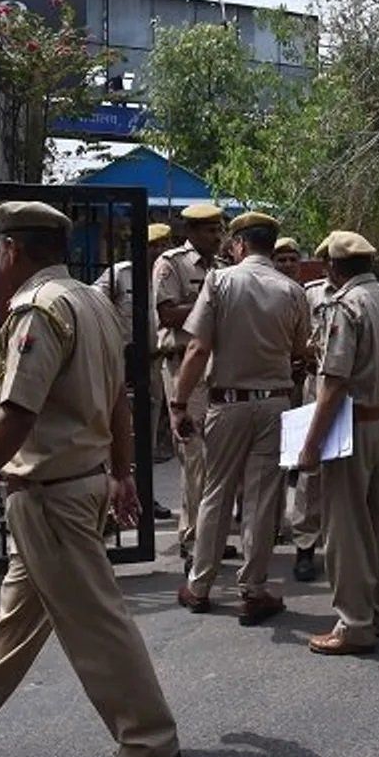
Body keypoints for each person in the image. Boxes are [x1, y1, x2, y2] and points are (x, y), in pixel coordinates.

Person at [0, 201, 181, 757]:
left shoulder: (39, 310)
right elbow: (116, 398)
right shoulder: (91, 301)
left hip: (50, 497)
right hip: (73, 488)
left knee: (98, 625)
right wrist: (122, 473)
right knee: (15, 619)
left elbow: (14, 415)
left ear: (12, 249)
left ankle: (150, 744)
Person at [172, 212, 311, 626]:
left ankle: (199, 586)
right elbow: (302, 349)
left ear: (240, 245)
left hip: (226, 403)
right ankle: (253, 589)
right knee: (263, 497)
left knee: (216, 491)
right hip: (274, 403)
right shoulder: (292, 289)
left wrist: (180, 402)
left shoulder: (220, 281)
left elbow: (198, 349)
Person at [297, 231, 379, 655]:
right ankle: (375, 610)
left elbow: (333, 382)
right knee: (375, 526)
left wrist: (311, 444)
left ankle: (354, 623)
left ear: (333, 267)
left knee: (346, 530)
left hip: (353, 428)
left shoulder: (345, 307)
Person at [153, 203, 225, 570]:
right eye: (210, 230)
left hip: (218, 366)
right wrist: (209, 304)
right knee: (194, 455)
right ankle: (193, 539)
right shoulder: (171, 263)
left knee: (217, 458)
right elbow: (166, 313)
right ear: (192, 232)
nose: (217, 236)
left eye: (219, 229)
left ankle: (210, 534)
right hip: (183, 365)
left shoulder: (223, 269)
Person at [93, 222, 174, 520]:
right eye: (153, 245)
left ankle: (143, 497)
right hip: (121, 366)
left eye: (163, 245)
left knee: (147, 434)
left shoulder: (168, 275)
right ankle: (110, 498)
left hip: (154, 364)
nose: (158, 250)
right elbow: (94, 303)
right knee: (115, 432)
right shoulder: (121, 274)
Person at [289, 236, 334, 583]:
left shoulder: (365, 296)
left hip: (352, 394)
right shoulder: (312, 294)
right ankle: (305, 545)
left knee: (346, 473)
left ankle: (339, 546)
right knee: (310, 469)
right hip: (316, 387)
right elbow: (297, 339)